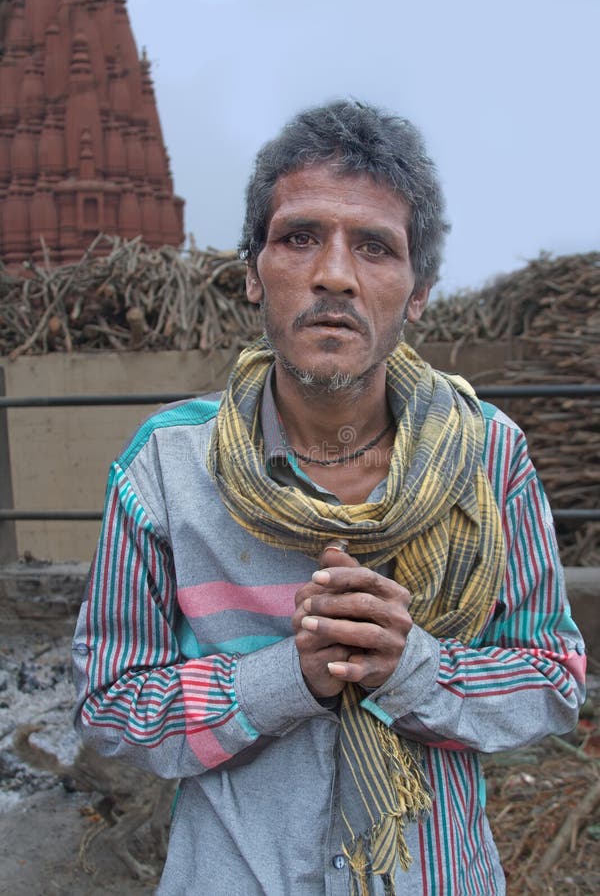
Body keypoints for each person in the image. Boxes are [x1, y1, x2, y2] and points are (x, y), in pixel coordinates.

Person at [73, 100, 586, 896]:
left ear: (418, 293)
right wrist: (287, 678)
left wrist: (410, 667)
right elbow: (110, 704)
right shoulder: (166, 471)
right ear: (252, 270)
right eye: (300, 236)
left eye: (376, 247)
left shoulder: (488, 456)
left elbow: (553, 678)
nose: (335, 274)